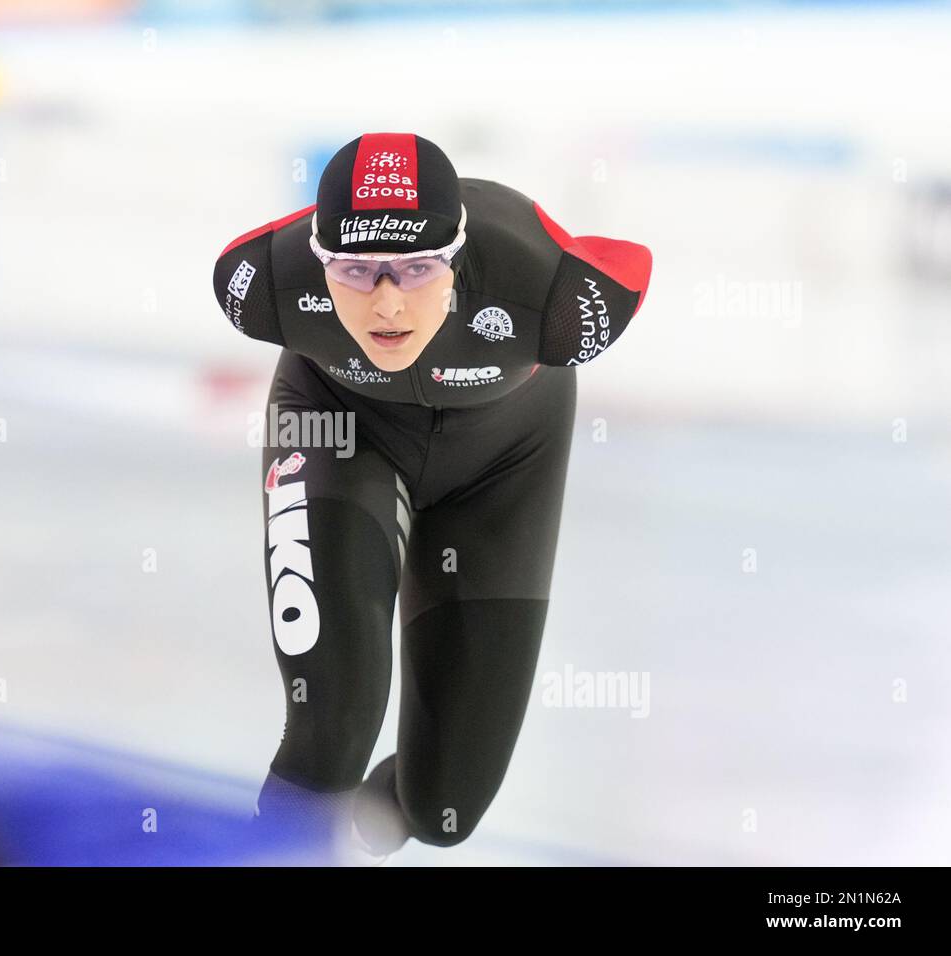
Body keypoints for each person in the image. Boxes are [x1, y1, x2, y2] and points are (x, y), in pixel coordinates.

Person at [211, 132, 652, 862]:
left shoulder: (558, 294)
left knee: (445, 809)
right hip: (340, 429)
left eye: (417, 269)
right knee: (332, 725)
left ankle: (356, 832)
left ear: (459, 257)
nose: (387, 304)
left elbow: (628, 263)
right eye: (355, 271)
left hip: (505, 460)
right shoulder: (262, 286)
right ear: (318, 261)